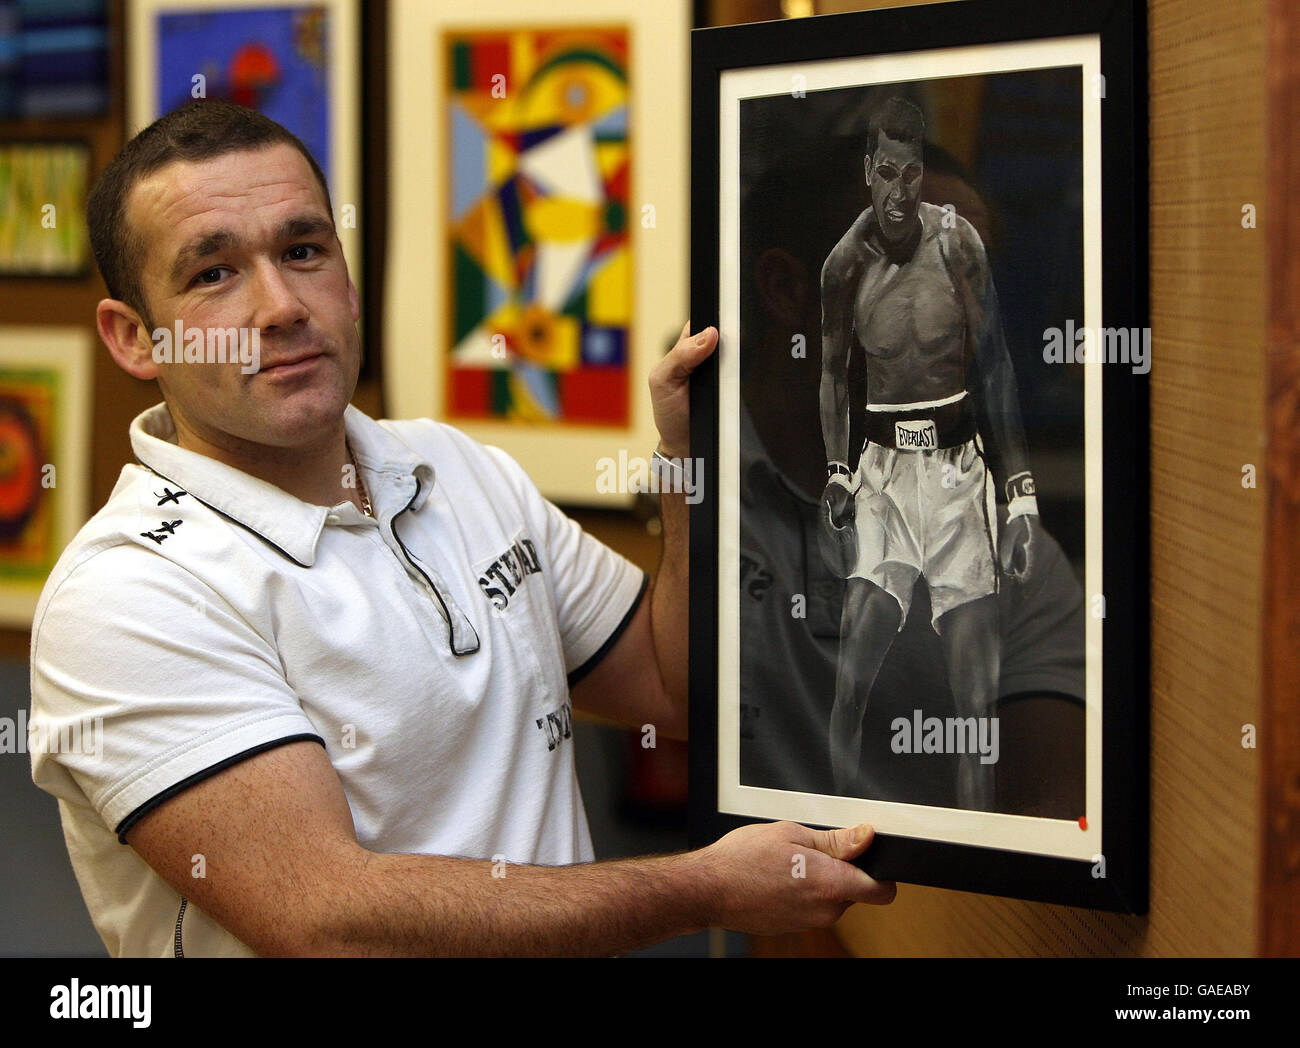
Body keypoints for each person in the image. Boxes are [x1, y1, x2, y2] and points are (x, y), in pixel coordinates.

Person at [26, 100, 895, 958]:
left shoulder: (454, 467)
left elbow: (674, 688)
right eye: (213, 273)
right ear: (135, 339)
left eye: (303, 251)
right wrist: (702, 889)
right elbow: (329, 925)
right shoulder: (128, 593)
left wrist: (686, 460)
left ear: (346, 275)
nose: (282, 305)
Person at [819, 97, 1045, 809]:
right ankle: (836, 834)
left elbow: (997, 364)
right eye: (887, 172)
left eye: (912, 173)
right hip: (883, 476)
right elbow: (829, 374)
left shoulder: (958, 246)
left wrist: (1021, 495)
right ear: (868, 172)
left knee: (975, 703)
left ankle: (975, 847)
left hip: (956, 473)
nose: (900, 189)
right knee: (851, 677)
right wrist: (836, 469)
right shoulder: (844, 265)